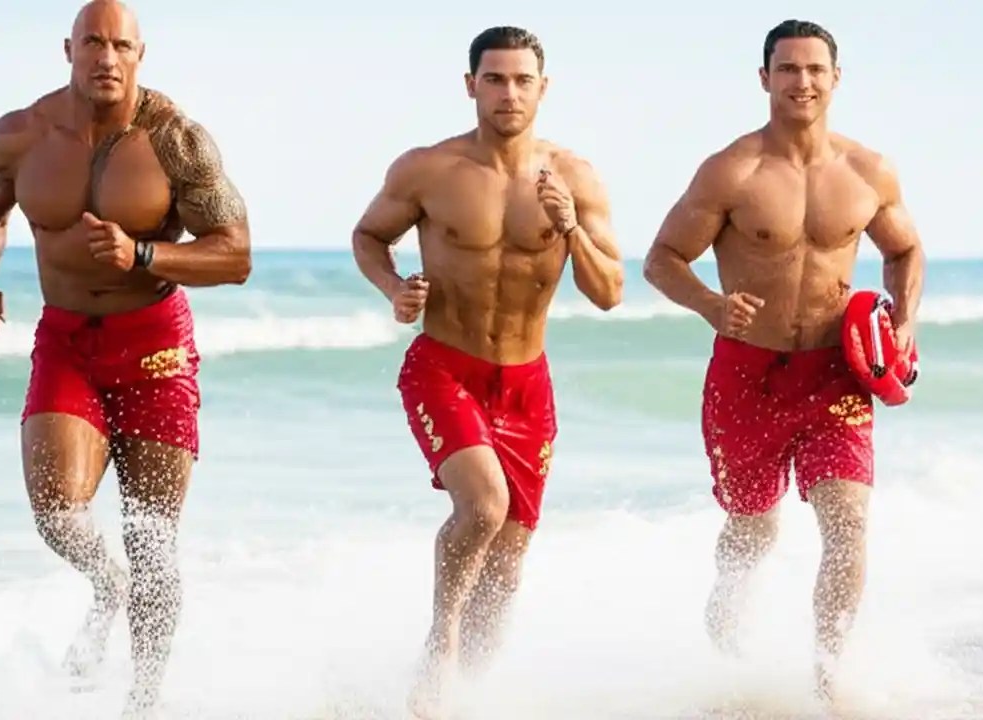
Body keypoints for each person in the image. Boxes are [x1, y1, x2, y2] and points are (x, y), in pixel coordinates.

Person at [0, 1, 251, 715]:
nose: (107, 58)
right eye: (93, 42)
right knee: (57, 510)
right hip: (66, 340)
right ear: (69, 49)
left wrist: (142, 252)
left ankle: (143, 700)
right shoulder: (19, 135)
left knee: (152, 541)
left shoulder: (178, 141)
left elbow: (236, 253)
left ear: (141, 54)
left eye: (122, 45)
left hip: (153, 343)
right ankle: (104, 584)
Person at [642, 18, 925, 702]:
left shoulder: (868, 171)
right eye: (788, 69)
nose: (802, 81)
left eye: (814, 69)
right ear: (764, 78)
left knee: (848, 519)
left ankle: (830, 674)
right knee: (753, 525)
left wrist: (906, 316)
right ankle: (729, 622)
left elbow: (904, 250)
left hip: (835, 372)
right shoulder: (731, 170)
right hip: (748, 373)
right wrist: (711, 306)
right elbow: (661, 260)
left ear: (836, 78)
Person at [351, 25, 624, 715]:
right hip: (444, 365)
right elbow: (368, 236)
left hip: (526, 379)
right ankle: (438, 644)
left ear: (543, 88)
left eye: (521, 80)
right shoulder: (429, 170)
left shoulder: (576, 177)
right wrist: (394, 290)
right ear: (470, 84)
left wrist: (569, 228)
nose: (508, 93)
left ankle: (467, 697)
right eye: (495, 79)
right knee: (484, 507)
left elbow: (609, 291)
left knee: (509, 558)